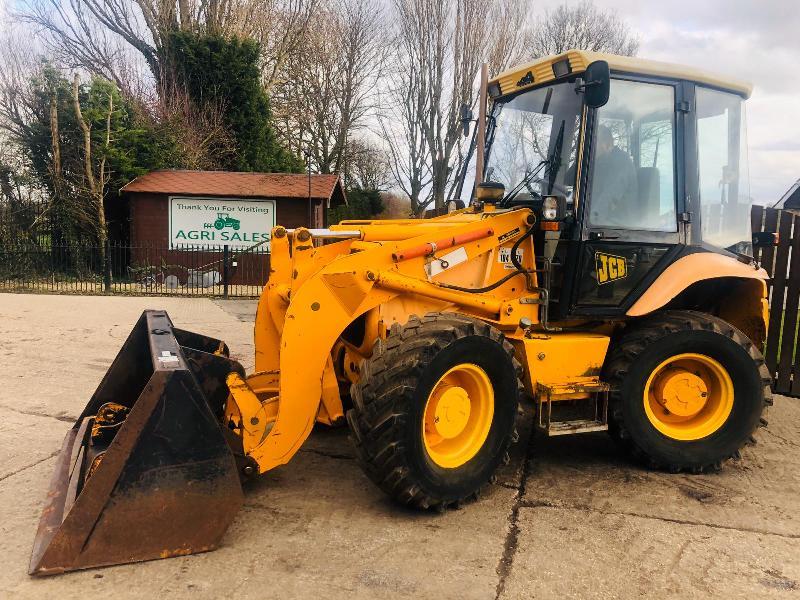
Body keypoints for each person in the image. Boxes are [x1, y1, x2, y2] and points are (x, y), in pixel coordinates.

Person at [590, 124, 638, 227]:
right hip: (598, 221)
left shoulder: (621, 162)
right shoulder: (598, 164)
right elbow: (567, 180)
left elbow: (609, 196)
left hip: (618, 226)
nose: (590, 147)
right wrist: (582, 158)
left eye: (593, 143)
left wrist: (592, 219)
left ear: (606, 144)